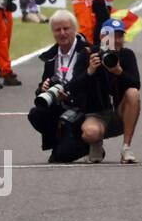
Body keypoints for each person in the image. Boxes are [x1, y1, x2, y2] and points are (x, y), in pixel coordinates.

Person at [68, 18, 142, 164]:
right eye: (112, 36)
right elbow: (73, 88)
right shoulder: (88, 54)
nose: (117, 40)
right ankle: (96, 143)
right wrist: (89, 71)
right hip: (96, 114)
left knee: (133, 93)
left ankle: (126, 147)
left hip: (120, 114)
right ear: (103, 37)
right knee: (90, 133)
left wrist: (119, 72)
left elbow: (136, 84)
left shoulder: (127, 55)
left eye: (120, 36)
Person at [27, 11, 94, 163]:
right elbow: (42, 88)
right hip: (59, 106)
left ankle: (87, 144)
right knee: (36, 114)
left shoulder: (88, 51)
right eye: (58, 30)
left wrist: (70, 95)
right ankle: (58, 144)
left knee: (61, 157)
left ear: (74, 29)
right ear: (53, 32)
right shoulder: (51, 56)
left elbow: (93, 85)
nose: (62, 33)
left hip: (82, 108)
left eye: (66, 28)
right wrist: (43, 88)